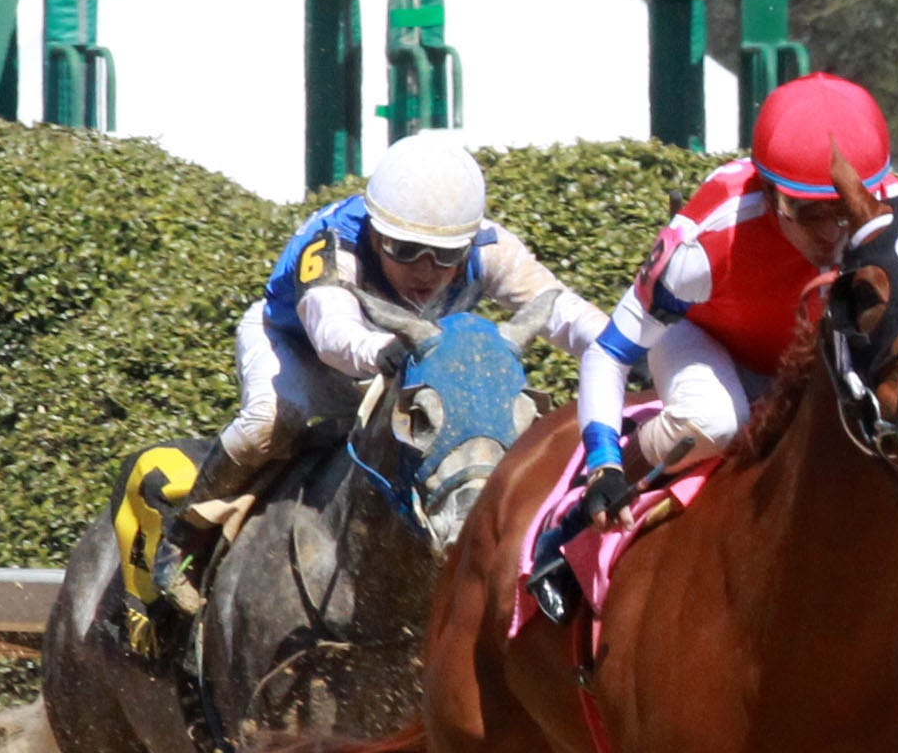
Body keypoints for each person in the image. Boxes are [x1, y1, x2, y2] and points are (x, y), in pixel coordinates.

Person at [149, 129, 607, 629]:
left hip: (401, 361)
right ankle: (185, 538)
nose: (426, 270)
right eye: (405, 250)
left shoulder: (490, 245)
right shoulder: (334, 241)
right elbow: (331, 331)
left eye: (445, 256)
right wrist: (379, 351)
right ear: (374, 232)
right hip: (298, 349)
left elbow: (560, 310)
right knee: (270, 422)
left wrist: (623, 349)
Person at [532, 71, 898, 609]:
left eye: (845, 208)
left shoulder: (897, 220)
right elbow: (609, 353)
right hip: (704, 340)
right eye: (807, 211)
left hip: (811, 356)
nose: (831, 233)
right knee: (716, 420)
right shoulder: (705, 244)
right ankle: (580, 515)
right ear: (769, 193)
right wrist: (603, 463)